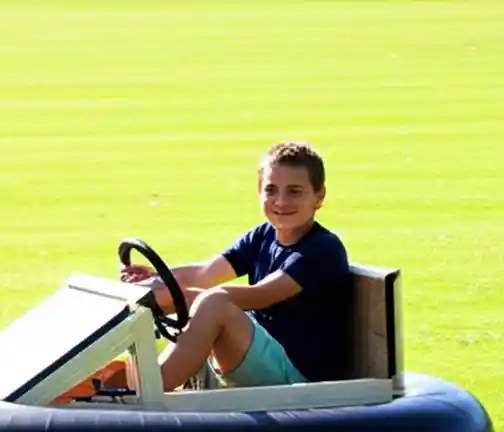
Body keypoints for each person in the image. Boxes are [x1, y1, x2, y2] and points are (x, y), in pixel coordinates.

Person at [120, 140, 350, 392]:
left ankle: (145, 391)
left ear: (319, 196)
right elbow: (204, 273)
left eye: (294, 191)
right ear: (259, 190)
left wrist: (189, 298)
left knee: (212, 302)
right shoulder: (262, 235)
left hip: (299, 381)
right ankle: (105, 377)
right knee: (178, 295)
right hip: (264, 355)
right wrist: (157, 281)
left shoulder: (322, 249)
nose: (281, 201)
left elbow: (262, 295)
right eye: (271, 190)